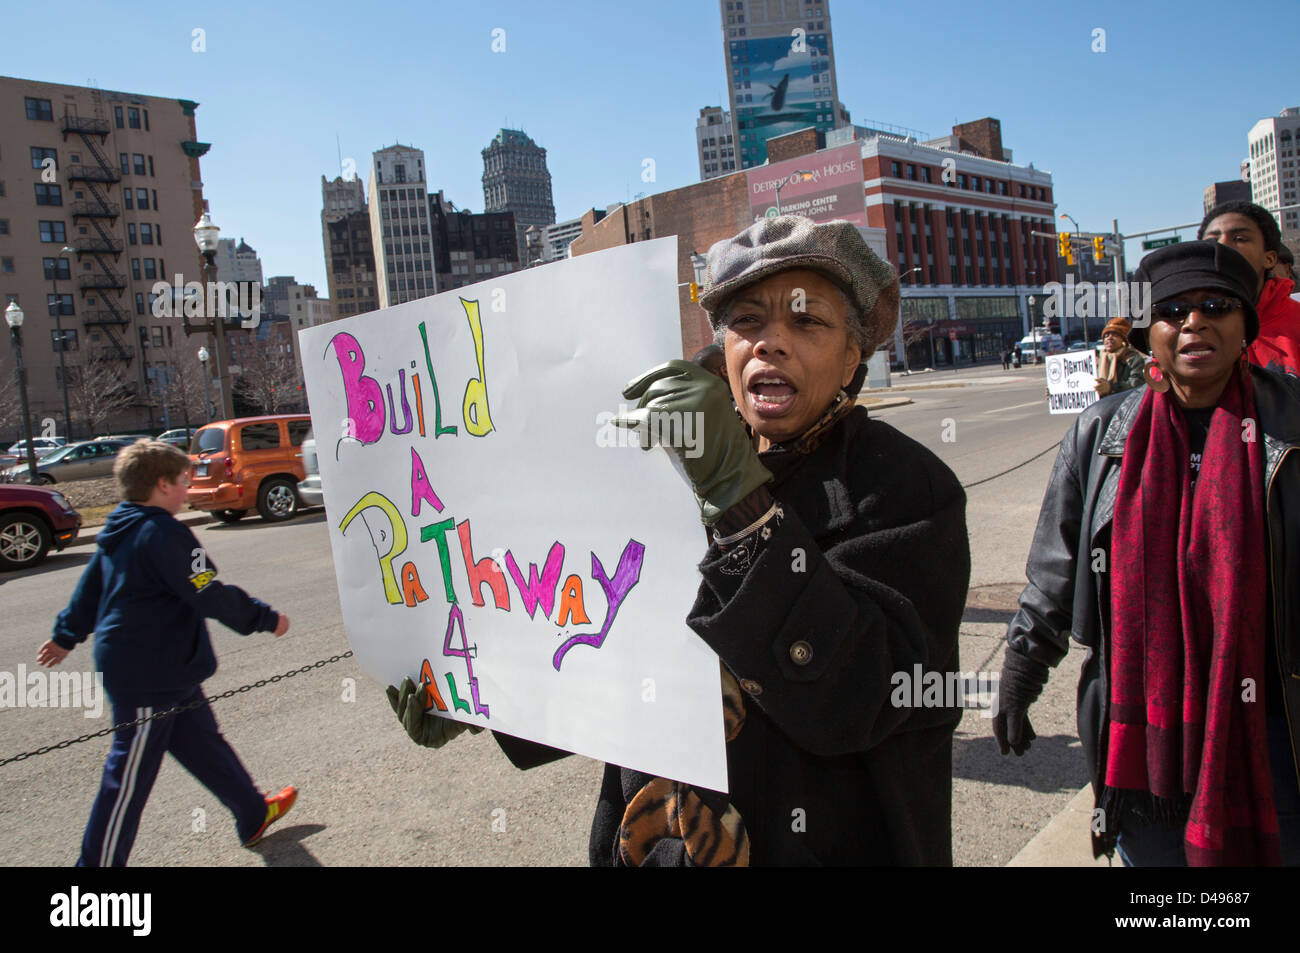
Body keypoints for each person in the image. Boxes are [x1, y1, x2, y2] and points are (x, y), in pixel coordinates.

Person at [389, 215, 971, 865]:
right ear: (722, 346)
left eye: (807, 322)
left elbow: (860, 699)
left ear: (853, 354)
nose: (770, 342)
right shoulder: (654, 470)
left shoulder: (907, 490)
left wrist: (740, 505)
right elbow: (597, 648)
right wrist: (483, 698)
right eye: (747, 321)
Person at [995, 240, 1300, 866]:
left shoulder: (1292, 423)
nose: (1195, 322)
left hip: (1273, 729)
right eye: (1172, 310)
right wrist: (1022, 670)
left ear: (1246, 325)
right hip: (1144, 745)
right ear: (1148, 335)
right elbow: (1054, 569)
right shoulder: (1100, 432)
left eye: (1216, 305)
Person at [37, 440, 297, 866]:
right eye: (182, 480)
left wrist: (66, 636)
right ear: (161, 484)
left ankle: (251, 812)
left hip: (167, 668)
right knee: (127, 779)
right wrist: (265, 618)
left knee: (204, 745)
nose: (187, 487)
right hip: (147, 675)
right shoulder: (167, 533)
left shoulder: (120, 527)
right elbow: (208, 592)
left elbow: (90, 590)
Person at [1199, 200, 1300, 377]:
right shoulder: (1185, 326)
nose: (1222, 245)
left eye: (1239, 239)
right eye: (1212, 240)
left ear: (1269, 259)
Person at [1092, 317, 1145, 397]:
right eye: (1106, 335)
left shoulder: (1134, 359)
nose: (1109, 338)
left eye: (1115, 335)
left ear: (1124, 340)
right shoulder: (1096, 359)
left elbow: (1136, 385)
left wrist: (1111, 387)